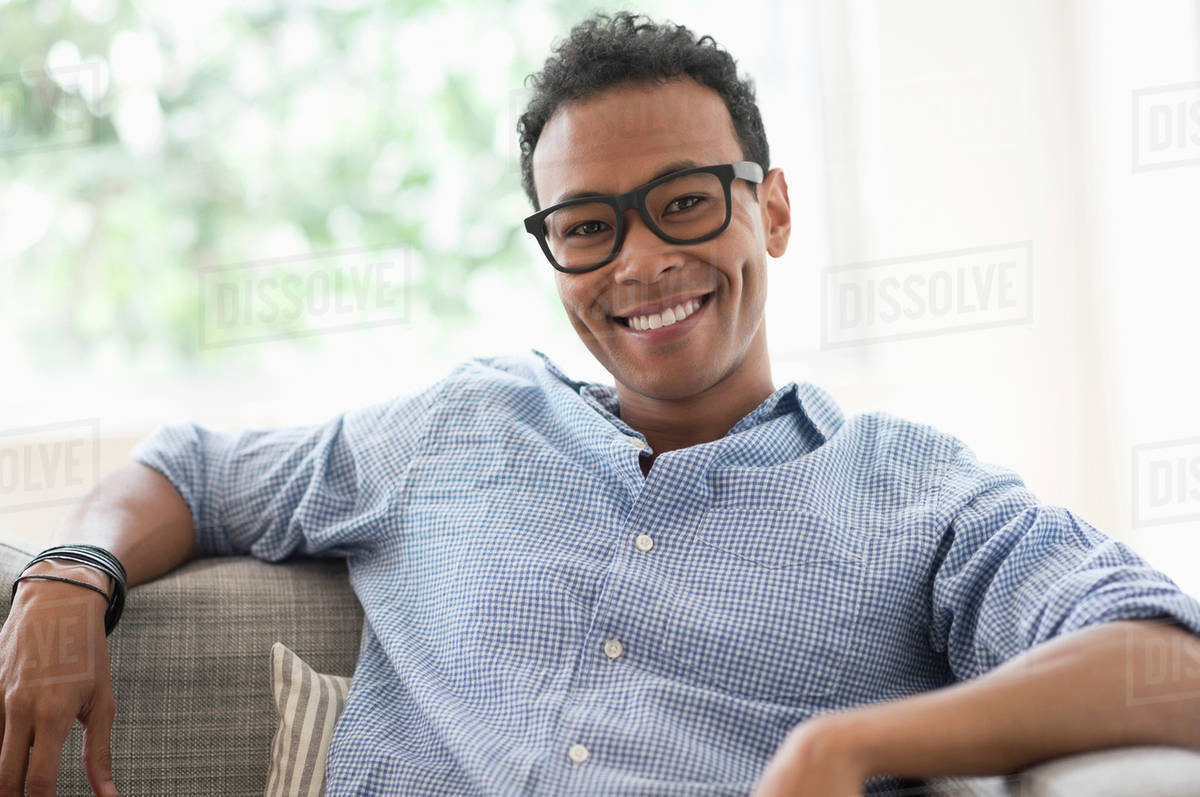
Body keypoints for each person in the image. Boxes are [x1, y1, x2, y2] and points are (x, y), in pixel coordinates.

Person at [3, 11, 1200, 797]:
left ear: (770, 209)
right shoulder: (457, 431)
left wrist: (852, 743)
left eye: (684, 201)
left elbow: (1168, 665)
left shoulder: (916, 490)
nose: (638, 262)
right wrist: (70, 569)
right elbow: (193, 469)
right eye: (588, 226)